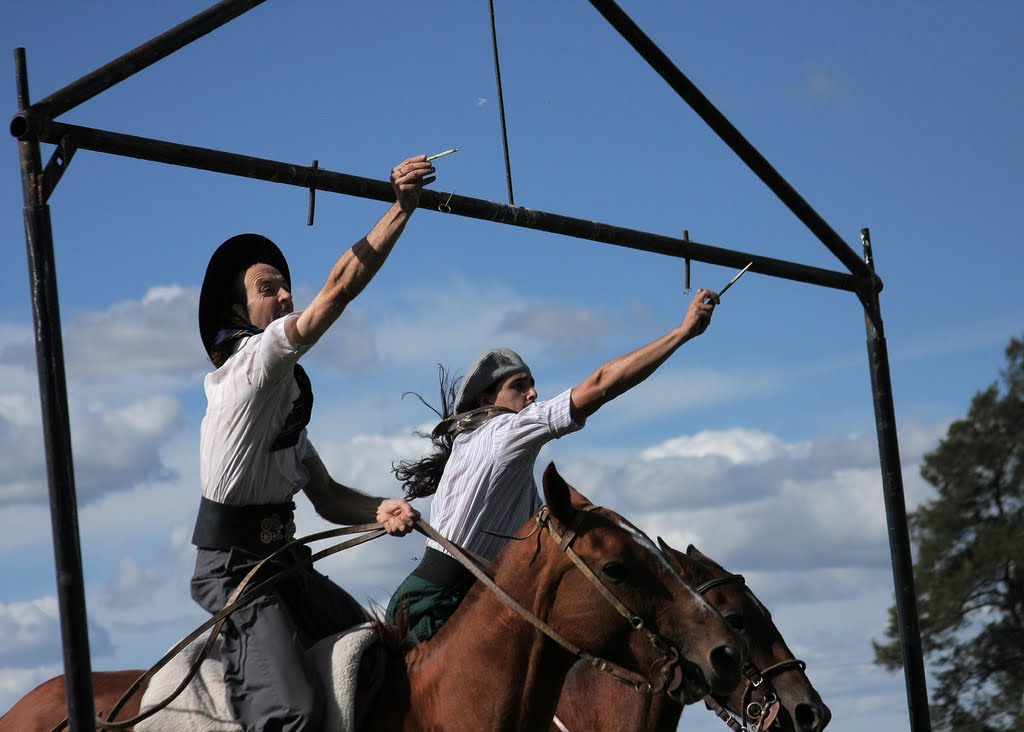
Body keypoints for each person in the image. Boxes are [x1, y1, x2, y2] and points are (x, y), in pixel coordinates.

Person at [190, 155, 433, 731]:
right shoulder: (254, 364)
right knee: (291, 715)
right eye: (266, 289)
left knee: (384, 656)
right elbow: (338, 291)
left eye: (285, 288)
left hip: (283, 561)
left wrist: (379, 508)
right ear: (237, 313)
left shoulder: (283, 409)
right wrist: (401, 208)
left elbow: (324, 497)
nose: (284, 298)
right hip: (233, 571)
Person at [386, 287, 721, 642]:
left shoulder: (485, 453)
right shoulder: (503, 432)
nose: (533, 394)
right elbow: (601, 385)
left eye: (533, 385)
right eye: (519, 385)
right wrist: (681, 334)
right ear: (487, 400)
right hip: (435, 607)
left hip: (467, 603)